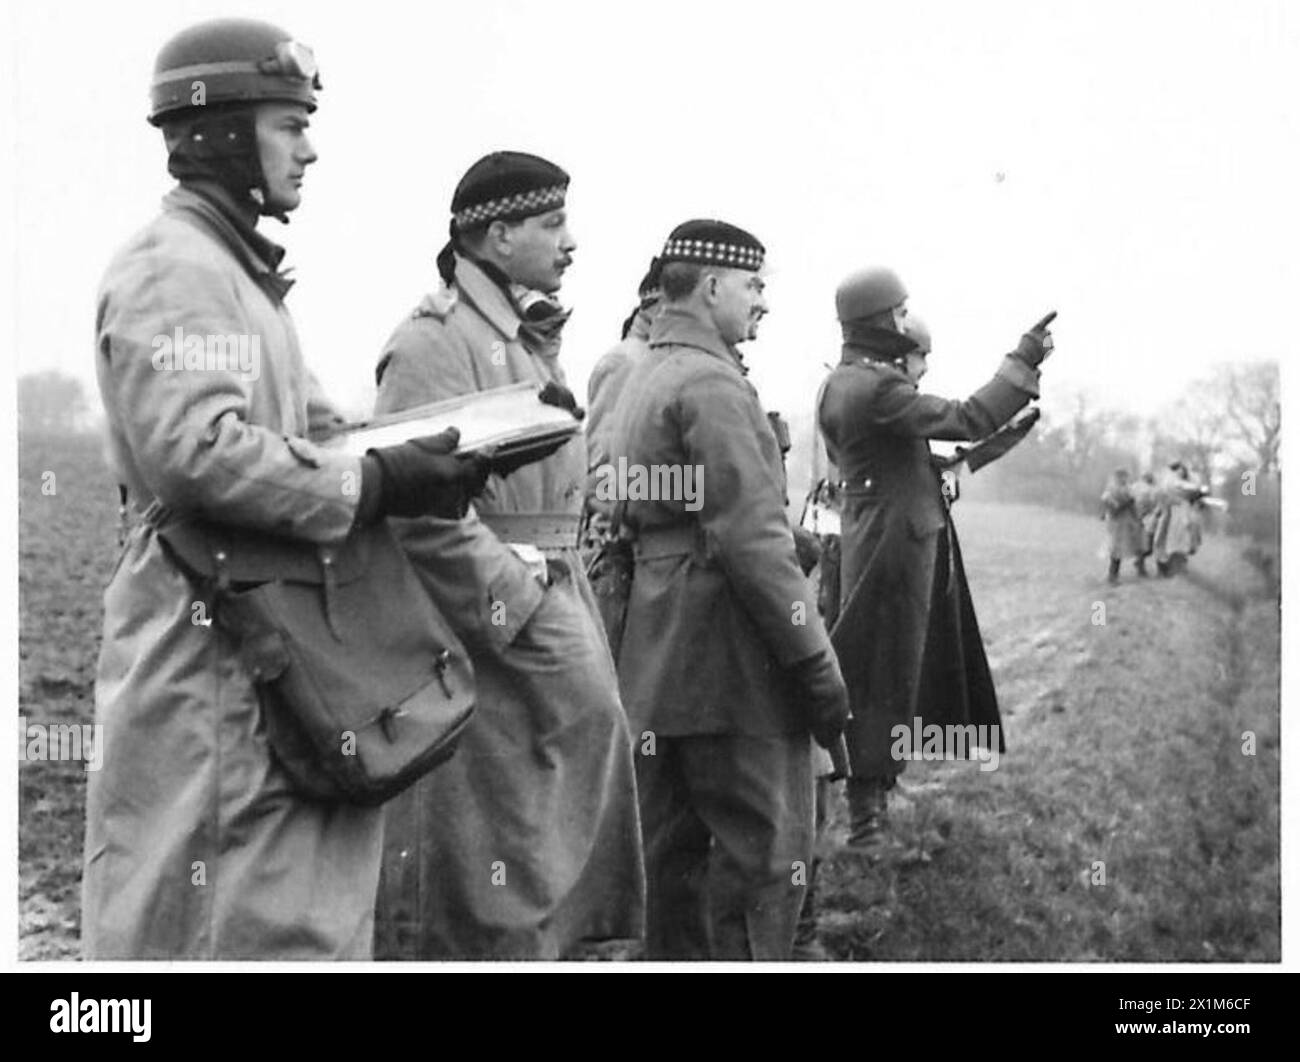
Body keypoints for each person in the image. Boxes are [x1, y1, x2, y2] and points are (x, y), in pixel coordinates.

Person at [83, 18, 493, 958]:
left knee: (291, 911)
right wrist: (380, 480)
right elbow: (202, 453)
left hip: (268, 640)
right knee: (220, 917)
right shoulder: (172, 268)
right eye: (287, 124)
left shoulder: (239, 276)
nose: (309, 148)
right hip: (211, 656)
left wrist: (464, 444)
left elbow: (322, 435)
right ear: (218, 132)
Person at [371, 151, 644, 959]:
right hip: (482, 631)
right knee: (486, 862)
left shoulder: (525, 340)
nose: (571, 243)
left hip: (543, 602)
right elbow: (417, 514)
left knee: (535, 855)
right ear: (496, 236)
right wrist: (525, 612)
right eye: (552, 223)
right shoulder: (432, 344)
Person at [608, 219, 850, 960]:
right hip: (732, 671)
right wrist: (816, 664)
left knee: (671, 876)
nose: (764, 304)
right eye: (754, 286)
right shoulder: (714, 384)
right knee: (765, 873)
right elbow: (752, 541)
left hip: (658, 658)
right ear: (712, 286)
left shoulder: (644, 370)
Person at [817, 267, 1055, 849]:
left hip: (888, 543)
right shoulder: (876, 388)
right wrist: (1021, 362)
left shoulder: (844, 382)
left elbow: (892, 459)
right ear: (878, 319)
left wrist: (939, 474)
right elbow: (968, 417)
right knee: (880, 676)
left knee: (895, 672)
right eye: (899, 313)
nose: (905, 323)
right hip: (894, 552)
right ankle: (867, 822)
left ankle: (874, 800)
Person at [1152, 461, 1207, 576]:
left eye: (1182, 469)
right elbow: (1180, 488)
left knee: (1182, 538)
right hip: (1170, 512)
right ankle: (1165, 568)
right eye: (1178, 469)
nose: (1180, 471)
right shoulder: (1171, 481)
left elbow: (1194, 491)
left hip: (1180, 512)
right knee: (1167, 539)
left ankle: (1177, 568)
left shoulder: (1184, 482)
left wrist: (1198, 494)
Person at [1100, 468, 1147, 582]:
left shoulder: (1128, 489)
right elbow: (1107, 501)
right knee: (1116, 548)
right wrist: (1118, 506)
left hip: (1125, 522)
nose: (1124, 479)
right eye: (1121, 477)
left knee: (1122, 548)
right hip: (1116, 522)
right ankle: (1112, 575)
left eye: (1125, 477)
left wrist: (1137, 517)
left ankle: (1116, 573)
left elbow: (1133, 505)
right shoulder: (1112, 489)